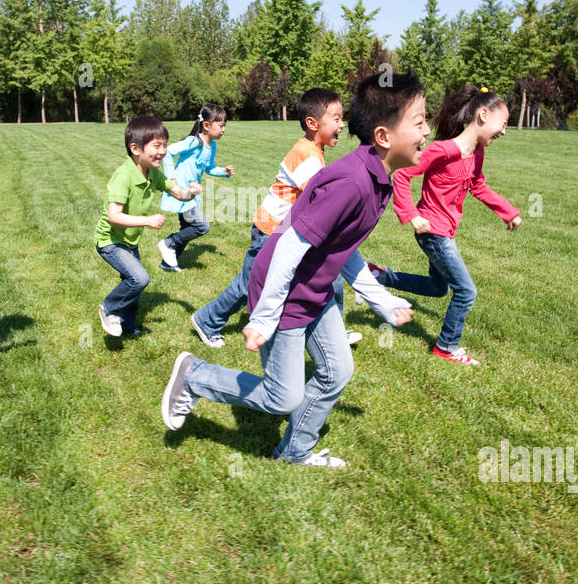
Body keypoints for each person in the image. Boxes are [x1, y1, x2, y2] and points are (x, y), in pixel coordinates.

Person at [159, 70, 429, 468]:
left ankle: (294, 452)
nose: (427, 132)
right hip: (283, 294)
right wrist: (265, 317)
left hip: (315, 293)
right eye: (420, 122)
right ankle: (194, 376)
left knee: (337, 371)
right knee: (280, 397)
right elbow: (287, 246)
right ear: (384, 137)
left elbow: (343, 250)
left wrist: (382, 302)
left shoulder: (377, 180)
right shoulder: (353, 183)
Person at [189, 88, 358, 348]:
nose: (342, 124)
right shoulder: (307, 155)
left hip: (287, 229)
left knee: (327, 274)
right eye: (336, 118)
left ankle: (332, 332)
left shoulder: (312, 150)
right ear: (313, 124)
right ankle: (207, 320)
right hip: (272, 230)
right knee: (250, 285)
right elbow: (322, 199)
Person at [366, 85, 522, 364]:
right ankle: (447, 347)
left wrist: (507, 212)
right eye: (504, 123)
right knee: (466, 291)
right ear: (483, 115)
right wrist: (411, 214)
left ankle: (381, 276)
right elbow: (402, 175)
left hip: (444, 231)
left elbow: (478, 186)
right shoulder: (443, 150)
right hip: (433, 232)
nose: (504, 131)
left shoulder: (476, 153)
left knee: (440, 288)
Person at [96, 116, 203, 338]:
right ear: (135, 149)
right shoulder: (123, 176)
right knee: (140, 278)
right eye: (157, 146)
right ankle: (109, 308)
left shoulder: (152, 173)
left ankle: (126, 328)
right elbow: (113, 216)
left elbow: (177, 193)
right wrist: (147, 221)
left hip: (129, 241)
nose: (163, 151)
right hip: (110, 241)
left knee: (134, 286)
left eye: (165, 145)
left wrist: (191, 192)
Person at [157, 104, 233, 272]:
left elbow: (209, 167)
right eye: (221, 125)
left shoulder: (211, 146)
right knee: (201, 226)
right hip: (182, 193)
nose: (223, 129)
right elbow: (168, 153)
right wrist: (172, 180)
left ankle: (168, 263)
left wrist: (224, 172)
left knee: (187, 229)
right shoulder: (193, 142)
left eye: (224, 126)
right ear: (206, 125)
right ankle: (168, 243)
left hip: (192, 195)